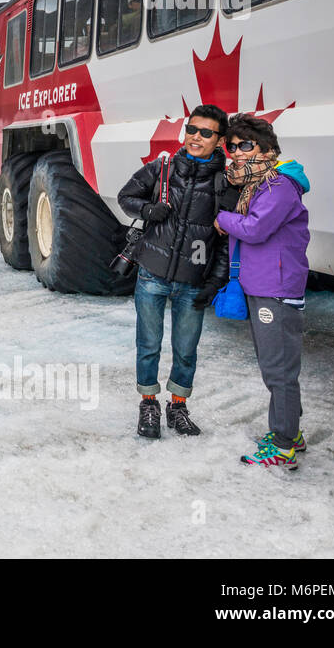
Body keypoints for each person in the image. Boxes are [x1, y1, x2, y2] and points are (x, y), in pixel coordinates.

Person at [118, 104, 231, 439]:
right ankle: (149, 404)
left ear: (219, 139)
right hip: (152, 275)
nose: (196, 137)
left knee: (186, 348)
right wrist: (148, 210)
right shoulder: (163, 167)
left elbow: (227, 238)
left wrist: (216, 280)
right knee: (148, 343)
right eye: (191, 130)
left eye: (205, 132)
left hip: (193, 282)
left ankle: (178, 406)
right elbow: (126, 197)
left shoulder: (225, 183)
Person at [214, 114, 311, 469]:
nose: (237, 153)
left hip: (277, 289)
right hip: (264, 285)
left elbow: (255, 229)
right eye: (232, 146)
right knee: (276, 364)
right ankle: (291, 432)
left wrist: (223, 219)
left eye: (246, 145)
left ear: (268, 149)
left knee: (278, 368)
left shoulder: (279, 186)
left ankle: (284, 444)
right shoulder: (258, 184)